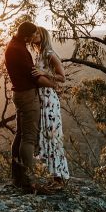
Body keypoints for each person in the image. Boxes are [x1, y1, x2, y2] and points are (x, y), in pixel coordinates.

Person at [3, 21, 57, 194]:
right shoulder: (18, 50)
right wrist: (54, 84)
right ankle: (30, 183)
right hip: (27, 96)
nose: (35, 37)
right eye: (33, 34)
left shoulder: (14, 45)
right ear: (26, 36)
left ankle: (18, 177)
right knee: (29, 138)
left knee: (20, 135)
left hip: (19, 93)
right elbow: (35, 77)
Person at [33, 26, 70, 185]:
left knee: (51, 136)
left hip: (49, 99)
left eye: (36, 33)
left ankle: (58, 177)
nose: (34, 36)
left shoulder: (49, 54)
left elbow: (62, 78)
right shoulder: (38, 54)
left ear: (43, 36)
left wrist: (44, 73)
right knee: (43, 136)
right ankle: (50, 175)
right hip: (41, 98)